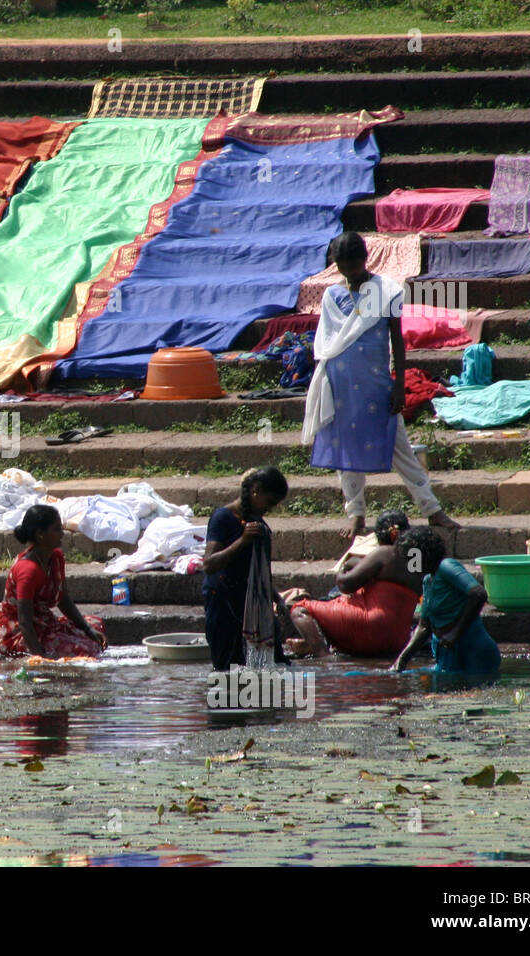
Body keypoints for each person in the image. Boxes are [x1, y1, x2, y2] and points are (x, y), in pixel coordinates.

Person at [301, 231, 460, 540]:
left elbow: (397, 342)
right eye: (342, 266)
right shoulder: (331, 295)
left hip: (376, 386)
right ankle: (356, 513)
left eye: (354, 265)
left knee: (401, 450)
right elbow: (327, 342)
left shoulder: (386, 290)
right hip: (341, 385)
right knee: (346, 453)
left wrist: (399, 385)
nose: (349, 272)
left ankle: (432, 510)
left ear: (365, 259)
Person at [286, 513, 424, 658]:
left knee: (300, 609)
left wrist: (343, 568)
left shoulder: (385, 553)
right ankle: (312, 645)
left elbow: (345, 585)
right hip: (397, 640)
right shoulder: (417, 559)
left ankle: (323, 655)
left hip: (368, 627)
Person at [201, 466, 289, 671]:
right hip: (224, 603)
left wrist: (276, 597)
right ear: (255, 490)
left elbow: (259, 571)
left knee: (272, 663)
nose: (269, 509)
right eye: (269, 502)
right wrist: (242, 541)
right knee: (227, 669)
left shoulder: (258, 523)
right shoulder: (223, 518)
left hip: (253, 603)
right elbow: (209, 564)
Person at [0, 504, 106, 658]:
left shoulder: (56, 557)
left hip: (44, 623)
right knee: (85, 651)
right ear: (40, 534)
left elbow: (63, 600)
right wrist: (40, 659)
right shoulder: (28, 570)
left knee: (95, 625)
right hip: (20, 634)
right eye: (57, 529)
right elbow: (25, 623)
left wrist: (87, 629)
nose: (62, 533)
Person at [389, 527, 500, 675]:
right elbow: (424, 626)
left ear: (423, 554)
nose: (409, 564)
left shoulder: (446, 566)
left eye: (411, 558)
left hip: (475, 653)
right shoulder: (428, 581)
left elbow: (478, 594)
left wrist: (455, 633)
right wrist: (401, 661)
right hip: (450, 657)